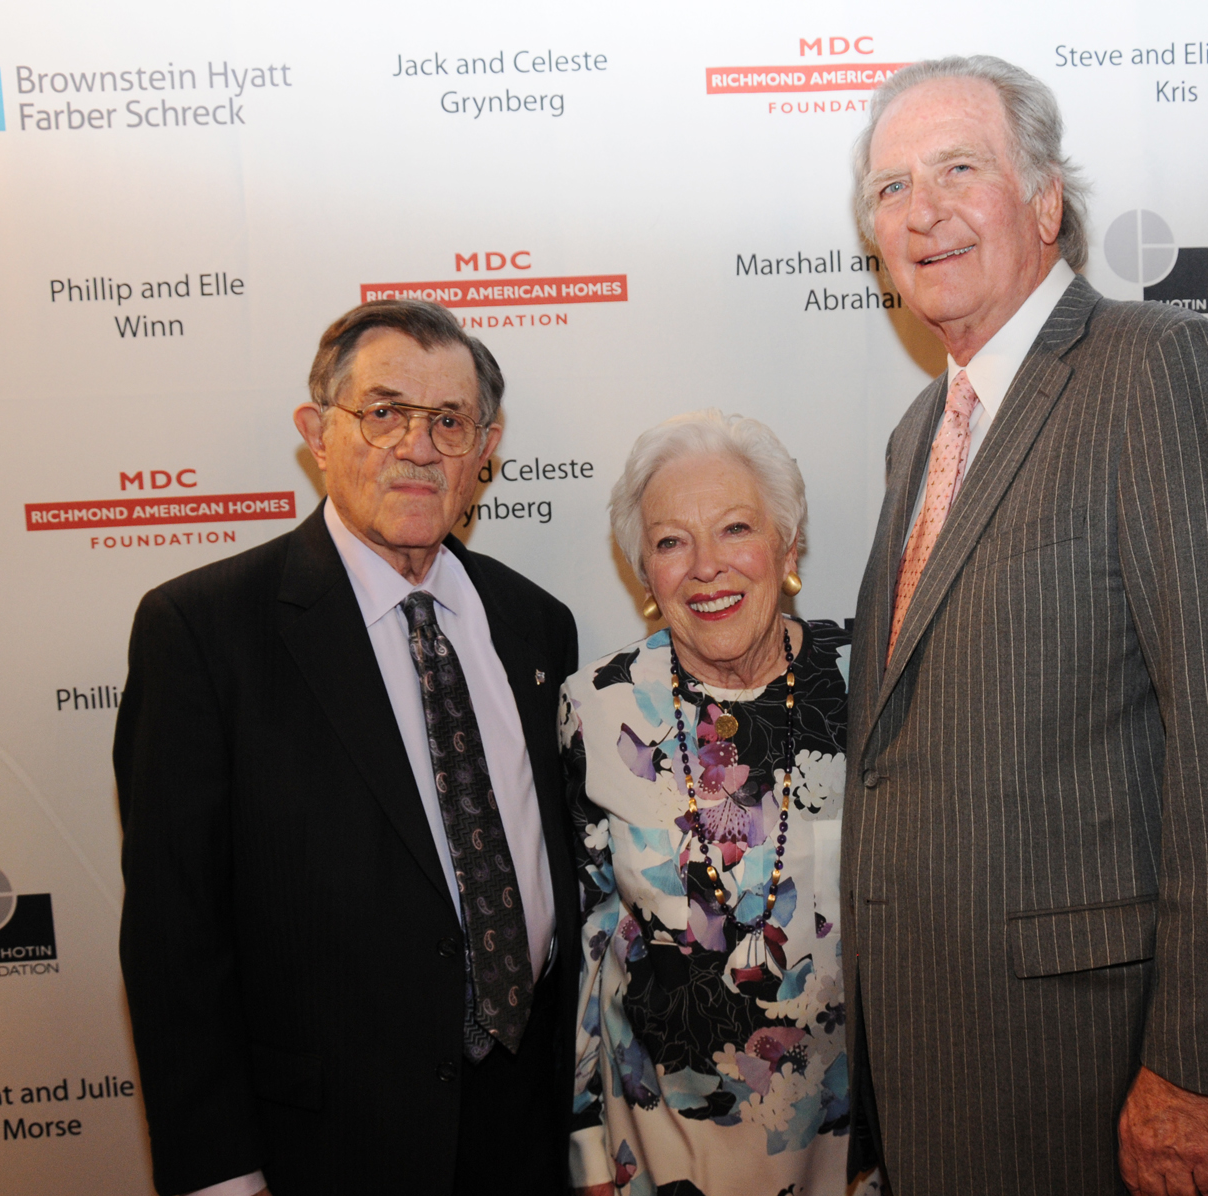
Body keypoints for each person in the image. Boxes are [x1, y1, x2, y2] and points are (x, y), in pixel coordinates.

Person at [840, 56, 1208, 1196]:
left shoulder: (1164, 371)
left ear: (1044, 199)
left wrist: (1197, 1072)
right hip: (950, 1071)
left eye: (956, 169)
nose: (918, 210)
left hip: (1115, 1074)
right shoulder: (921, 432)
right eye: (888, 188)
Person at [114, 299, 579, 1196]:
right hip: (327, 1150)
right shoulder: (205, 634)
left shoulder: (534, 627)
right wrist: (220, 1177)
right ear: (316, 434)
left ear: (485, 449)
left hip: (525, 1135)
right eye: (383, 412)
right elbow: (176, 945)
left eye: (449, 421)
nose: (417, 445)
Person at [562, 411, 870, 1196]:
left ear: (787, 547)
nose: (706, 567)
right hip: (663, 1145)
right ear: (644, 573)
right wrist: (587, 1148)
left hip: (857, 1134)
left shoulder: (871, 680)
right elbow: (587, 937)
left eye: (736, 528)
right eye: (671, 542)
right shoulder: (598, 707)